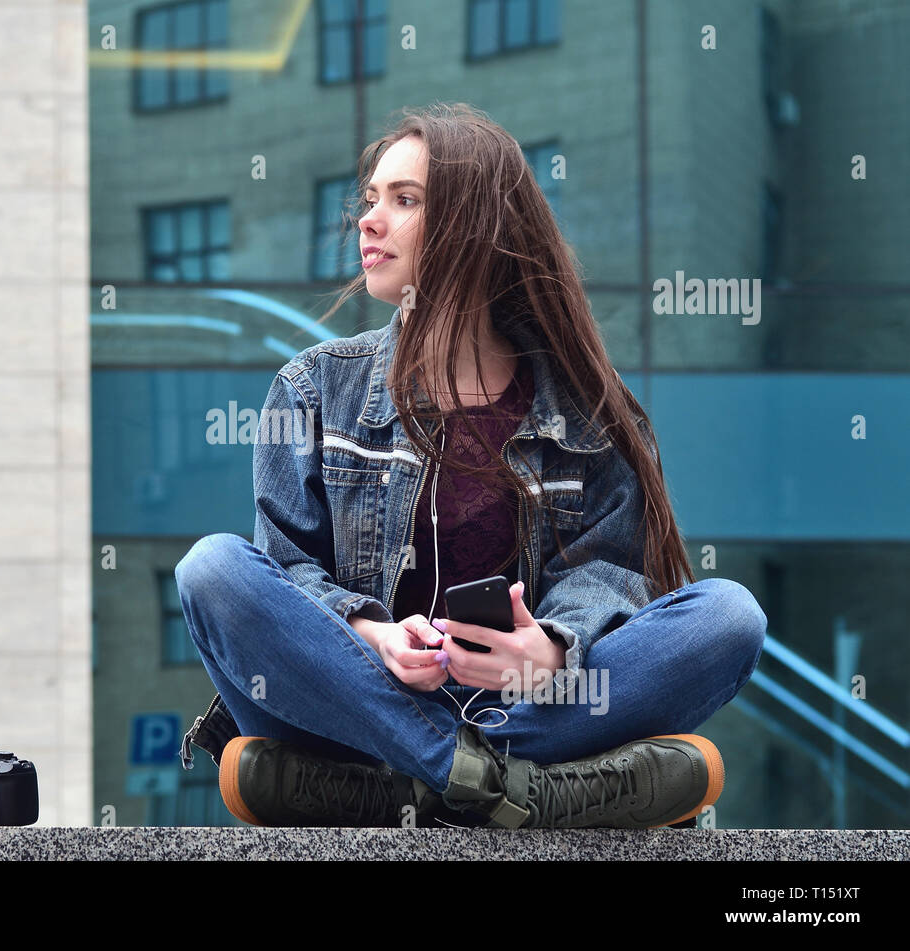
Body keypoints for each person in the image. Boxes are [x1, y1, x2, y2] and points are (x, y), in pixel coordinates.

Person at [175, 103, 768, 829]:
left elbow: (612, 577)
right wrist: (374, 635)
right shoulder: (310, 389)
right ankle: (499, 785)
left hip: (530, 713)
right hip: (356, 718)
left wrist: (545, 654)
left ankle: (428, 783)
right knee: (212, 570)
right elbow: (284, 575)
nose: (367, 221)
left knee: (730, 616)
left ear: (475, 228)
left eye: (404, 200)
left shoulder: (589, 409)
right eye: (371, 201)